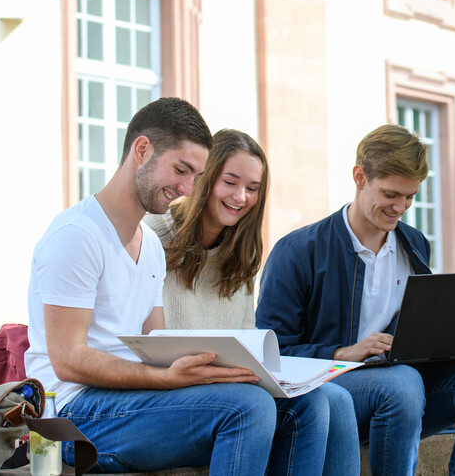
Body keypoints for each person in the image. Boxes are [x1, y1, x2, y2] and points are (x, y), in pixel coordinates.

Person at [25, 98, 323, 475]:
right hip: (73, 412)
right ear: (142, 150)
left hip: (133, 399)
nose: (186, 188)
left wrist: (219, 368)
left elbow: (156, 344)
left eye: (195, 177)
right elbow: (67, 359)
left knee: (306, 406)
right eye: (181, 170)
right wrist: (166, 378)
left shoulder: (148, 245)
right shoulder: (76, 234)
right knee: (248, 407)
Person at [256, 124, 455, 475]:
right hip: (334, 390)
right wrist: (341, 353)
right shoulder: (298, 251)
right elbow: (273, 354)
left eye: (410, 197)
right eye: (391, 194)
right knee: (402, 384)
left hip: (401, 386)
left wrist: (452, 342)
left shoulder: (414, 244)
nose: (401, 207)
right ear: (360, 177)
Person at [144, 129, 359, 475]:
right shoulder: (152, 235)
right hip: (176, 387)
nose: (241, 197)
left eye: (253, 188)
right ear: (205, 178)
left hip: (228, 381)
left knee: (335, 399)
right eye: (230, 182)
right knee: (304, 407)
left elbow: (245, 335)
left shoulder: (241, 254)